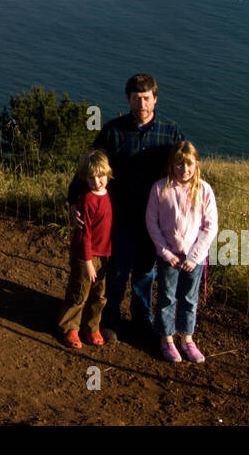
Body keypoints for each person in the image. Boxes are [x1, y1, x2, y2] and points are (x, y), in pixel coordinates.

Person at [70, 73, 185, 342]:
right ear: (128, 99)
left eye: (146, 98)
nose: (142, 104)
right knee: (118, 270)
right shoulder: (113, 130)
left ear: (155, 99)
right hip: (119, 214)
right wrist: (73, 200)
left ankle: (141, 319)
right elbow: (90, 166)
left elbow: (186, 167)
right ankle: (109, 320)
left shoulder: (171, 132)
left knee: (146, 271)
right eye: (136, 98)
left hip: (155, 217)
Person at [145, 141, 218, 362]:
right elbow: (152, 222)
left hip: (194, 259)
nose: (184, 170)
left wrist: (195, 256)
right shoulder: (160, 188)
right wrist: (166, 253)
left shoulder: (204, 189)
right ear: (171, 165)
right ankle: (166, 339)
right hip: (170, 257)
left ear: (196, 164)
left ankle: (187, 339)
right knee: (167, 298)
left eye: (188, 165)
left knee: (189, 299)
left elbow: (210, 225)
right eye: (179, 165)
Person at [56, 149, 113, 348]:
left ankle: (92, 326)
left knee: (99, 294)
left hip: (104, 253)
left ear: (108, 174)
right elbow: (85, 234)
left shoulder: (108, 195)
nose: (97, 182)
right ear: (85, 178)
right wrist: (88, 262)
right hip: (86, 255)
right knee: (79, 292)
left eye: (101, 176)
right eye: (91, 178)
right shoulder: (88, 200)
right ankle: (71, 327)